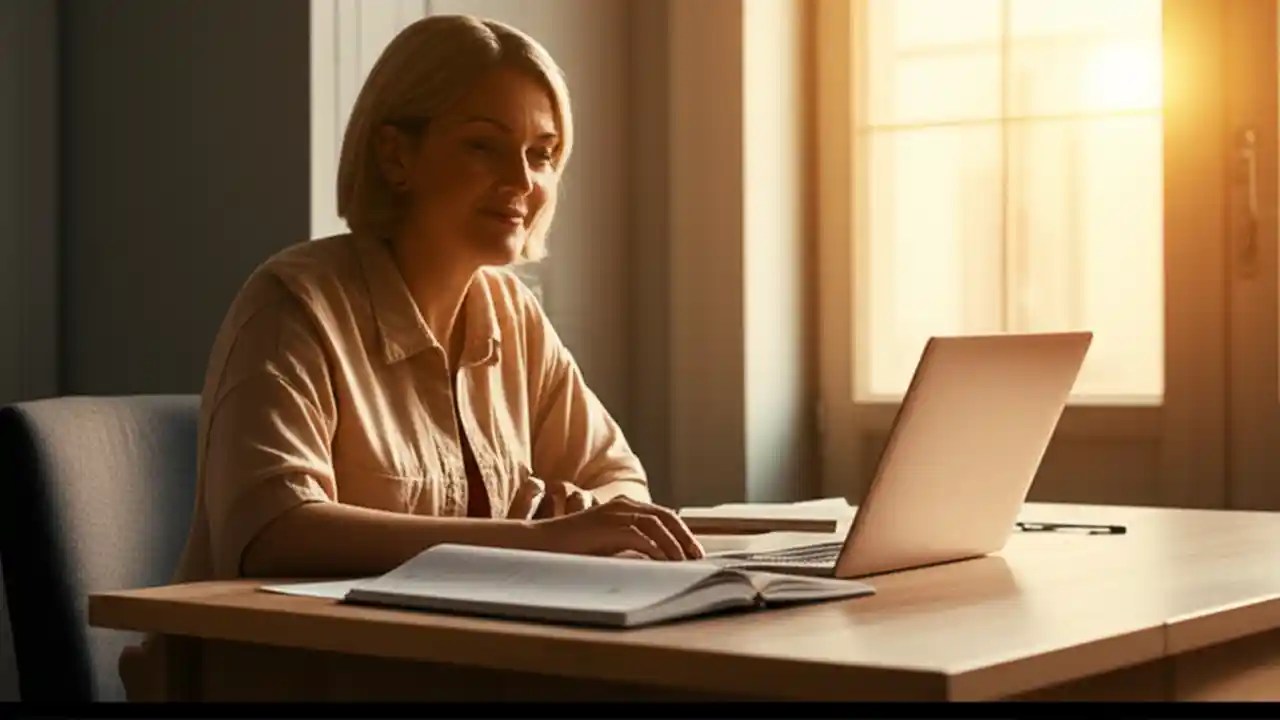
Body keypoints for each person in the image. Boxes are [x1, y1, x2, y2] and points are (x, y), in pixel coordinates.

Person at [119, 14, 702, 699]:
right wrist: (547, 540)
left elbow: (619, 484)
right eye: (484, 146)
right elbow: (275, 532)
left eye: (542, 154)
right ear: (396, 156)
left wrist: (586, 513)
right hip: (289, 683)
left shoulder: (513, 315)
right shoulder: (294, 304)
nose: (522, 180)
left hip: (450, 673)